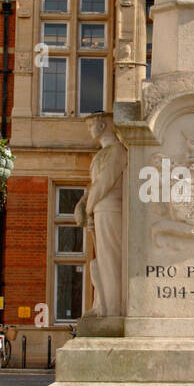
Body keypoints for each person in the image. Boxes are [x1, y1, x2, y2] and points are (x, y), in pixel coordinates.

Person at [74, 113, 126, 318]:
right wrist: (84, 204)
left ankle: (112, 309)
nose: (89, 130)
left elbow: (105, 182)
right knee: (102, 260)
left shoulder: (117, 151)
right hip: (99, 210)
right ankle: (101, 305)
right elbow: (95, 186)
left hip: (111, 209)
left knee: (111, 260)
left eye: (91, 126)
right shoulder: (102, 154)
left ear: (103, 125)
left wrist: (87, 207)